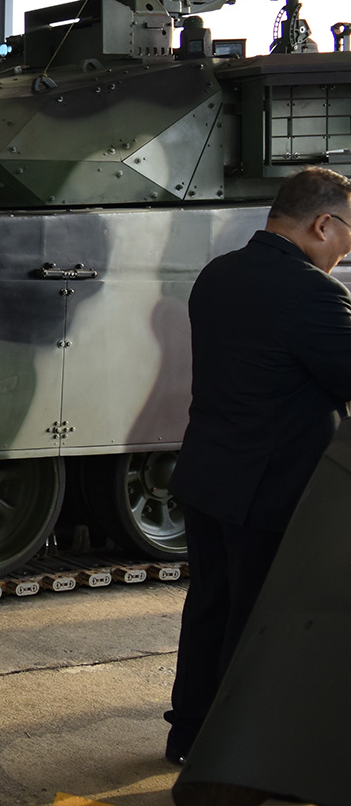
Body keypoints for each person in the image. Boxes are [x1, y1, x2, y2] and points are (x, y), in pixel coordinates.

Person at [163, 166, 351, 766]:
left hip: (210, 476)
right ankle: (234, 761)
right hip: (272, 489)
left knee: (211, 612)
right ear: (324, 223)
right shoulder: (313, 292)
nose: (347, 251)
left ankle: (188, 737)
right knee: (261, 626)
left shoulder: (220, 273)